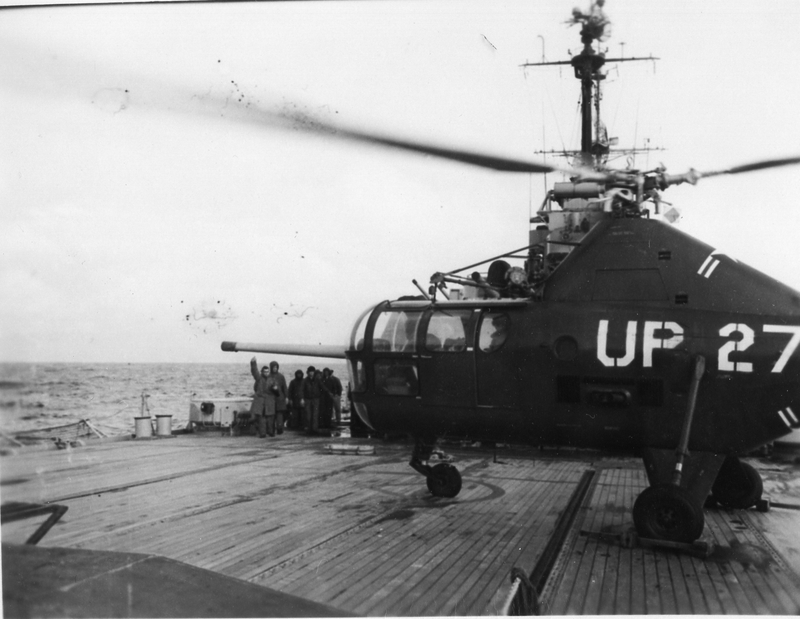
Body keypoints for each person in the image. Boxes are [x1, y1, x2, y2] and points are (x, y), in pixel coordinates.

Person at [250, 356, 278, 437]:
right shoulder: (259, 379)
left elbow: (277, 391)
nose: (266, 373)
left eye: (267, 371)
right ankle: (262, 433)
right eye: (265, 372)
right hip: (261, 402)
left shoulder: (272, 379)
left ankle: (271, 432)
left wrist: (275, 389)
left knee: (270, 418)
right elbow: (254, 371)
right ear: (262, 372)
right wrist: (253, 363)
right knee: (261, 418)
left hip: (269, 402)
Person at [268, 361, 288, 435]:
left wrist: (286, 397)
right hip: (271, 398)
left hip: (280, 398)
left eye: (276, 367)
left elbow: (284, 387)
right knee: (272, 415)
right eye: (273, 367)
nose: (275, 369)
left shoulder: (281, 376)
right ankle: (272, 430)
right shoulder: (268, 376)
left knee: (279, 414)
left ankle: (280, 429)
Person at [302, 366, 322, 435]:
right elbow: (302, 390)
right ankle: (309, 429)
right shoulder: (305, 380)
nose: (311, 373)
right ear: (308, 372)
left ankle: (314, 429)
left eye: (313, 371)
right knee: (308, 415)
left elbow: (322, 387)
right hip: (307, 399)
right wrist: (302, 398)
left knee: (315, 415)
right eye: (310, 372)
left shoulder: (317, 380)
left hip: (316, 399)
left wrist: (329, 393)